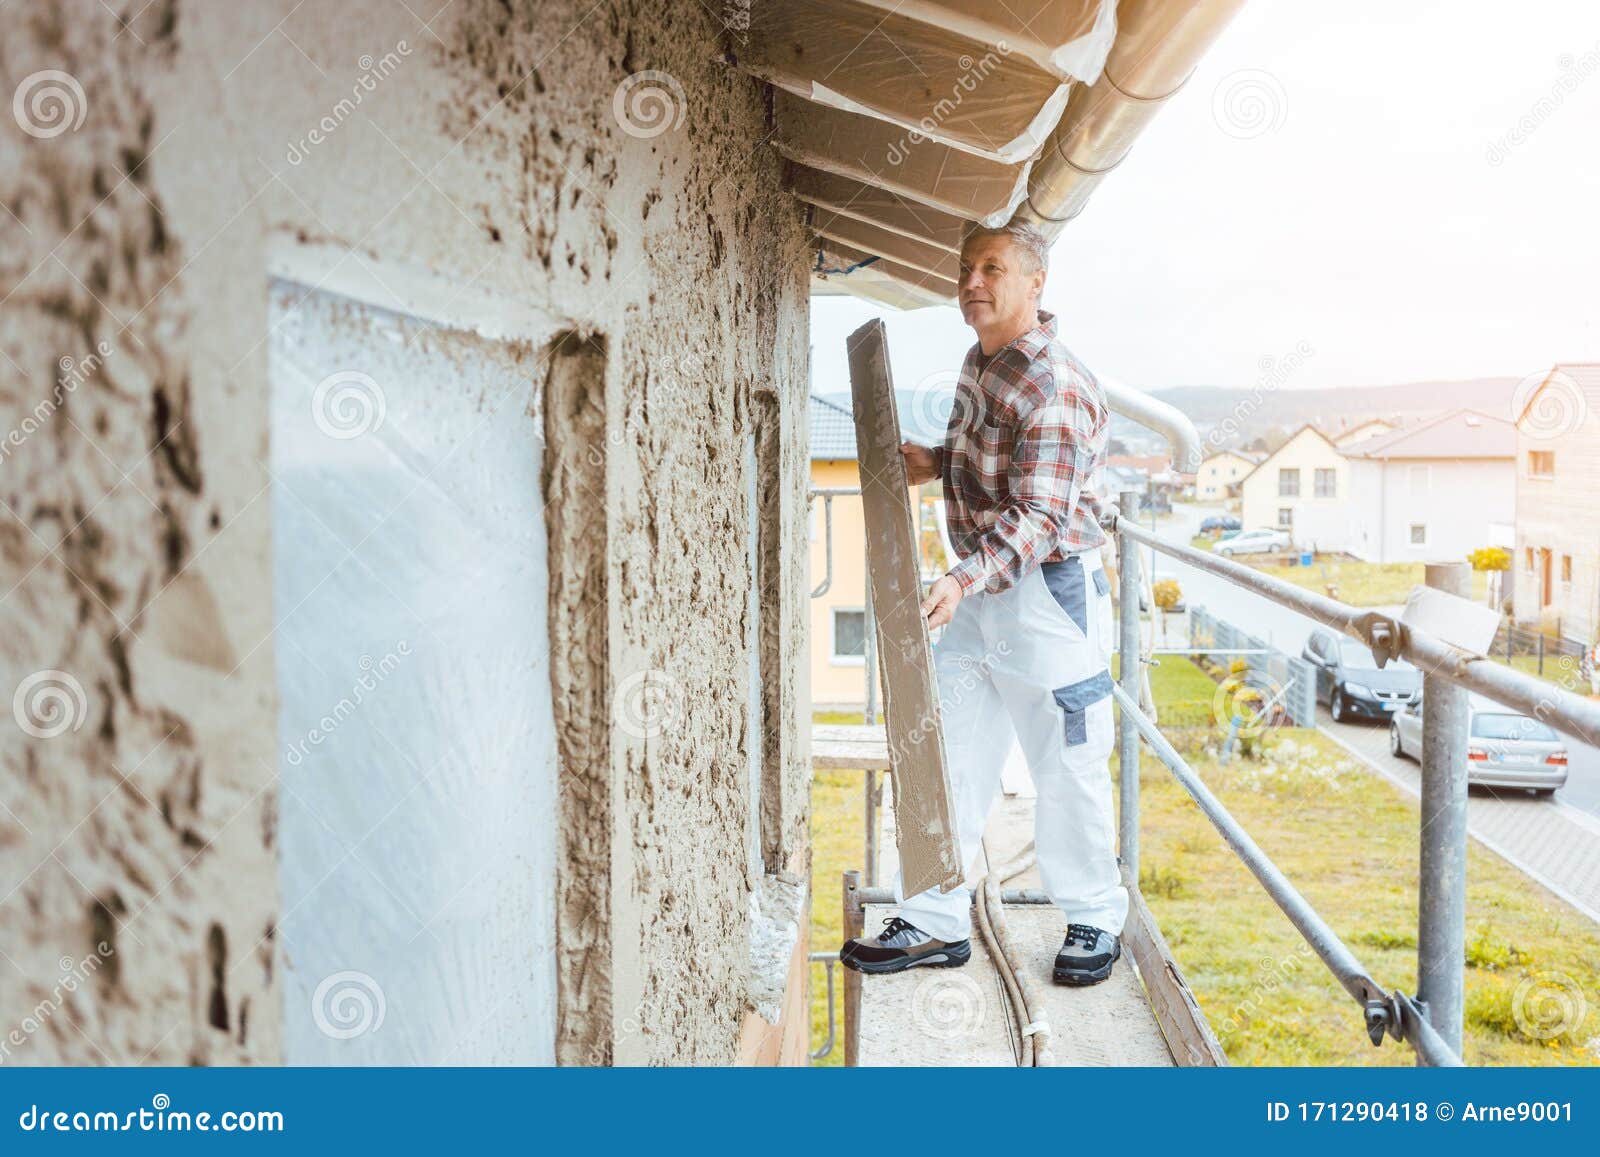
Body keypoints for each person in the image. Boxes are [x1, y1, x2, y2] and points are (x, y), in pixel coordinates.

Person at [839, 221, 1125, 986]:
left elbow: (1039, 517)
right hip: (980, 588)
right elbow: (990, 462)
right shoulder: (982, 360)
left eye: (992, 268)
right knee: (948, 750)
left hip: (1046, 597)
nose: (972, 281)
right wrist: (937, 462)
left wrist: (961, 579)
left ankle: (1094, 917)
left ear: (1036, 285)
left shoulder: (1056, 385)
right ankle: (934, 919)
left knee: (1065, 764)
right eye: (966, 267)